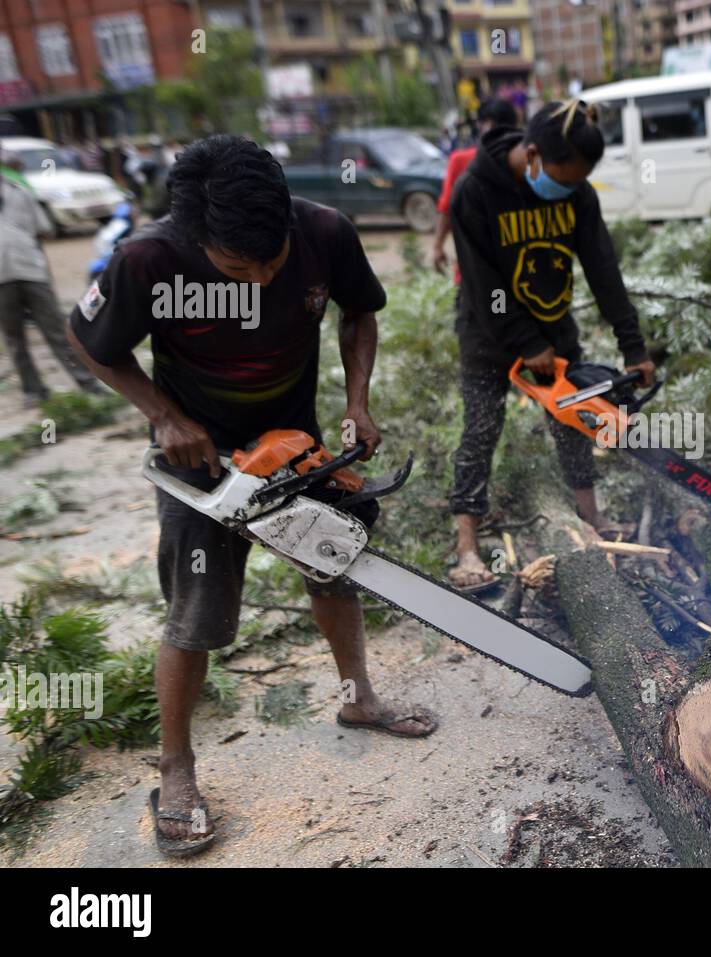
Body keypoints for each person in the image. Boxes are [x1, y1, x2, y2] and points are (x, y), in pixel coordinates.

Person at [66, 135, 436, 857]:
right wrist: (164, 416)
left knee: (334, 567)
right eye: (242, 268)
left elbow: (359, 313)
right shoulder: (149, 259)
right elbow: (89, 338)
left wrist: (358, 399)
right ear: (198, 239)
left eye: (272, 261)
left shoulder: (324, 230)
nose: (264, 275)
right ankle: (176, 768)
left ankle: (358, 697)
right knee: (197, 612)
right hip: (198, 457)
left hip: (290, 436)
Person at [447, 99, 654, 590]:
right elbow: (482, 284)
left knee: (577, 426)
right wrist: (524, 340)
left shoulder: (577, 195)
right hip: (488, 335)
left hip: (555, 333)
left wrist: (634, 347)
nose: (567, 189)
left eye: (577, 181)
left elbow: (603, 268)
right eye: (562, 179)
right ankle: (466, 547)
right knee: (481, 430)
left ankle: (591, 523)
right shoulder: (474, 192)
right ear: (533, 154)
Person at [0, 153, 104, 406]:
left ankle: (87, 382)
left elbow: (43, 230)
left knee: (57, 329)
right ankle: (33, 391)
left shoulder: (19, 192)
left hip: (31, 270)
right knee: (14, 338)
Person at [433, 97, 521, 278]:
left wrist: (438, 246)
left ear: (485, 125)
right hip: (522, 269)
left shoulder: (462, 160)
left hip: (477, 274)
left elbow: (447, 208)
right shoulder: (526, 160)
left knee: (496, 305)